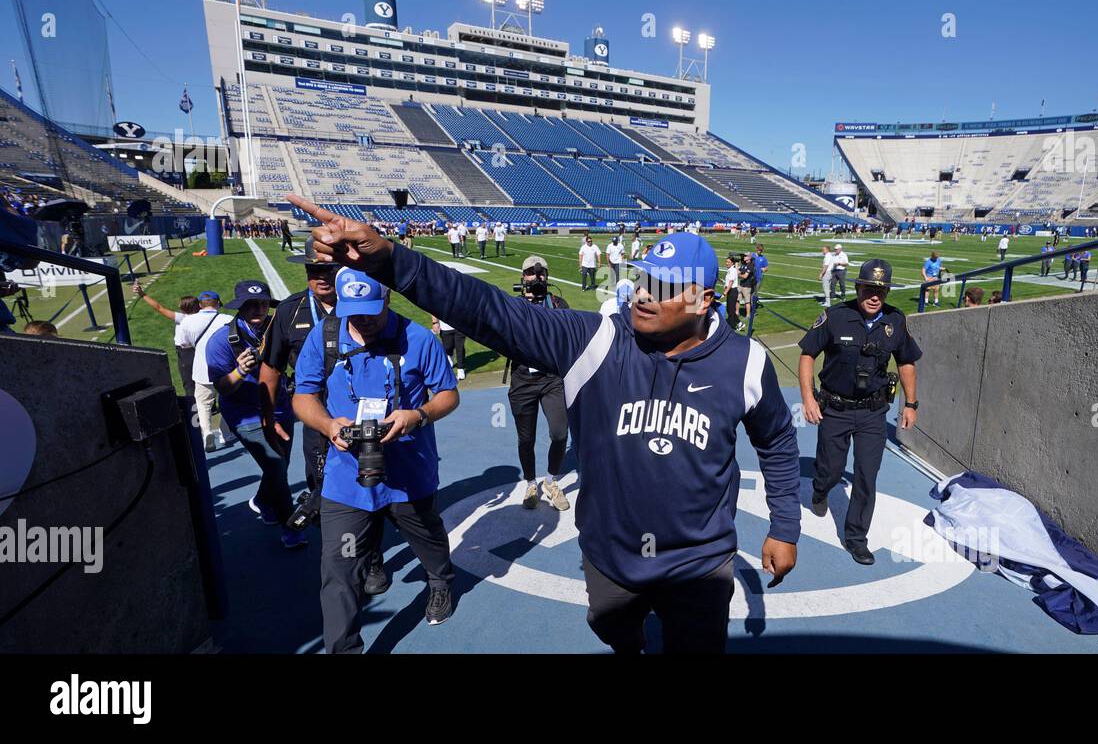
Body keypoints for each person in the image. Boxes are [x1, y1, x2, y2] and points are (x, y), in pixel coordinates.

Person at [288, 195, 800, 655]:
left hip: (699, 561)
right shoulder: (595, 339)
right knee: (614, 631)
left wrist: (784, 526)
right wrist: (392, 261)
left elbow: (776, 439)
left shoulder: (746, 361)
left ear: (704, 300)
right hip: (611, 552)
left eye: (664, 287)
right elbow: (493, 313)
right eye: (642, 279)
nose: (644, 295)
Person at [291, 268, 460, 651]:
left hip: (408, 472)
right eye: (354, 311)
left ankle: (440, 580)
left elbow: (448, 394)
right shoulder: (325, 336)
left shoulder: (418, 338)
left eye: (371, 310)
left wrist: (417, 415)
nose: (363, 320)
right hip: (346, 478)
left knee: (428, 539)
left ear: (388, 299)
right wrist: (329, 425)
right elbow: (303, 396)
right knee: (338, 568)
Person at [798, 259, 920, 565]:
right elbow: (808, 355)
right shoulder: (835, 317)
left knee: (867, 476)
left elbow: (906, 362)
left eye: (881, 289)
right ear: (857, 287)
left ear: (888, 291)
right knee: (831, 469)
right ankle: (820, 489)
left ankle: (856, 538)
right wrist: (808, 399)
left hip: (873, 413)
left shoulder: (896, 321)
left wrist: (910, 403)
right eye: (868, 288)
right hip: (835, 409)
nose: (874, 295)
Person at [206, 280, 304, 548]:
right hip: (244, 412)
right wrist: (239, 372)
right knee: (275, 464)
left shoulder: (279, 328)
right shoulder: (220, 341)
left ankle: (262, 502)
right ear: (240, 307)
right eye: (251, 304)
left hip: (280, 407)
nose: (259, 309)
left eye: (263, 303)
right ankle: (290, 527)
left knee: (278, 465)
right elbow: (222, 388)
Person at [505, 255, 573, 511]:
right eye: (531, 274)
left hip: (552, 378)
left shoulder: (558, 303)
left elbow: (569, 337)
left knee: (559, 433)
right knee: (526, 439)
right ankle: (531, 482)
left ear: (547, 276)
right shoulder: (514, 305)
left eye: (541, 273)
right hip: (523, 379)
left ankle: (551, 481)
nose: (536, 278)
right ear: (523, 278)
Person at [177, 290, 236, 452]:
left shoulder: (188, 321)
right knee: (228, 400)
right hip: (226, 368)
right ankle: (225, 432)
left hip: (202, 369)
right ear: (217, 303)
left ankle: (207, 433)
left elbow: (184, 344)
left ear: (200, 305)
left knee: (203, 404)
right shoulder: (228, 319)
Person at [135, 286, 201, 397]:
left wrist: (143, 295)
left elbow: (158, 308)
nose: (178, 305)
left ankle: (194, 407)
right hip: (198, 350)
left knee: (188, 382)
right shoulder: (201, 317)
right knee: (201, 379)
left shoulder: (182, 318)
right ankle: (211, 406)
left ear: (185, 308)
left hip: (185, 353)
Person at [430, 315, 466, 380]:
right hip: (445, 327)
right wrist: (435, 323)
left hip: (461, 325)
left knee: (460, 347)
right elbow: (434, 310)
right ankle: (450, 356)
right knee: (448, 346)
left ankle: (460, 369)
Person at [737, 252, 756, 332]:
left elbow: (745, 276)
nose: (743, 257)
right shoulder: (744, 264)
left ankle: (748, 315)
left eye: (745, 256)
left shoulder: (750, 265)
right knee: (737, 299)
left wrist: (738, 275)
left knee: (747, 301)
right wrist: (737, 266)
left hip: (747, 286)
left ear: (749, 257)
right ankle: (737, 312)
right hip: (741, 284)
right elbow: (738, 270)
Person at [722, 255, 740, 328]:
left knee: (731, 309)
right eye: (726, 262)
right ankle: (738, 323)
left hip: (732, 291)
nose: (727, 263)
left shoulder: (732, 270)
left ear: (732, 263)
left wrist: (725, 292)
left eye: (728, 262)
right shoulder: (730, 270)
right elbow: (727, 282)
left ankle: (731, 325)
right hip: (731, 291)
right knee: (729, 309)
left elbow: (731, 283)